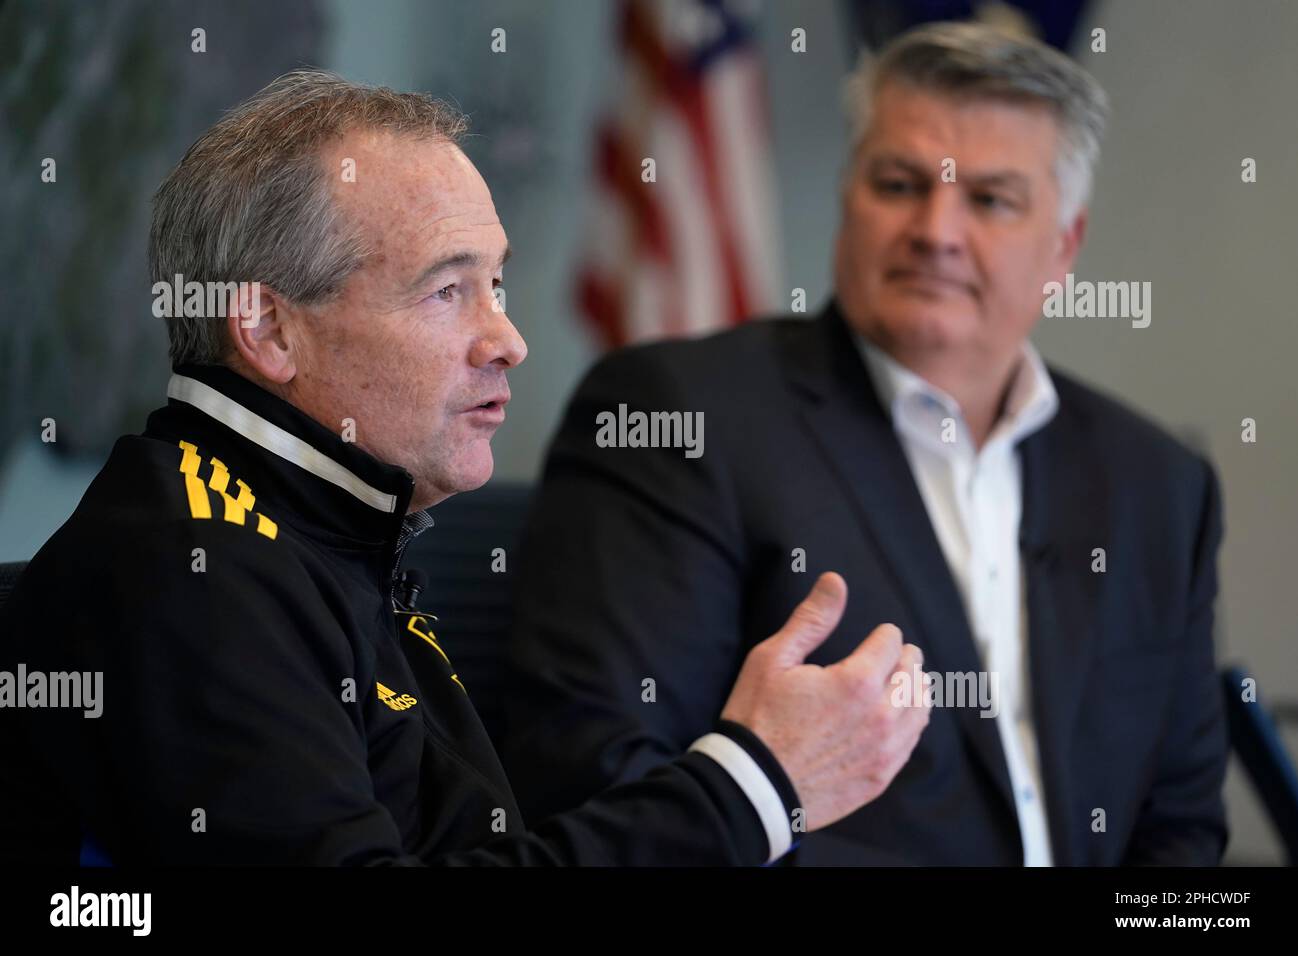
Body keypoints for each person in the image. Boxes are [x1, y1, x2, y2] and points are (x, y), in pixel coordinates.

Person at [0, 70, 930, 866]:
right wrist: (752, 784)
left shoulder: (332, 527)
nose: (510, 340)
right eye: (447, 291)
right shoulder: (195, 564)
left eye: (498, 283)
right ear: (268, 329)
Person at [506, 22, 1228, 866]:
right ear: (850, 192)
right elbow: (605, 778)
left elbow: (1182, 835)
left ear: (1063, 246)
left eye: (990, 199)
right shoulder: (679, 415)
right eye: (899, 183)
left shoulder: (1157, 483)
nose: (937, 230)